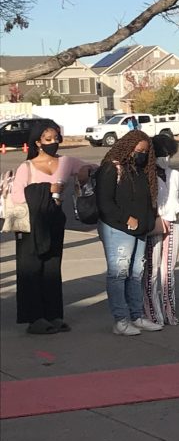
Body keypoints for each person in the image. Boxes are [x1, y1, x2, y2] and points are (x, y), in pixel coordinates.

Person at [8, 120, 93, 334]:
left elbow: (94, 168)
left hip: (54, 220)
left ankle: (53, 314)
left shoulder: (66, 162)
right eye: (48, 139)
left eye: (56, 138)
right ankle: (34, 317)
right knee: (32, 268)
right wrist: (48, 189)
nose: (53, 143)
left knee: (52, 268)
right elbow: (18, 197)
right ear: (37, 142)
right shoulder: (26, 167)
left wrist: (85, 172)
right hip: (31, 225)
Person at [96, 130, 164, 336]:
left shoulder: (141, 170)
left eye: (145, 151)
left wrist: (149, 220)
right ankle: (121, 319)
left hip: (140, 229)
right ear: (128, 147)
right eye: (138, 150)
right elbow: (105, 202)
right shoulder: (112, 168)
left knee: (136, 273)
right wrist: (126, 218)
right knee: (119, 274)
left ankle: (136, 315)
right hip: (117, 229)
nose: (141, 154)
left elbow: (146, 200)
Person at [142, 134, 179, 326]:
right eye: (163, 154)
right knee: (151, 270)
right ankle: (152, 312)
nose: (166, 158)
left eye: (170, 154)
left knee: (168, 270)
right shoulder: (147, 175)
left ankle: (170, 311)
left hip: (173, 223)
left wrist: (177, 207)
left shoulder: (175, 175)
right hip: (154, 224)